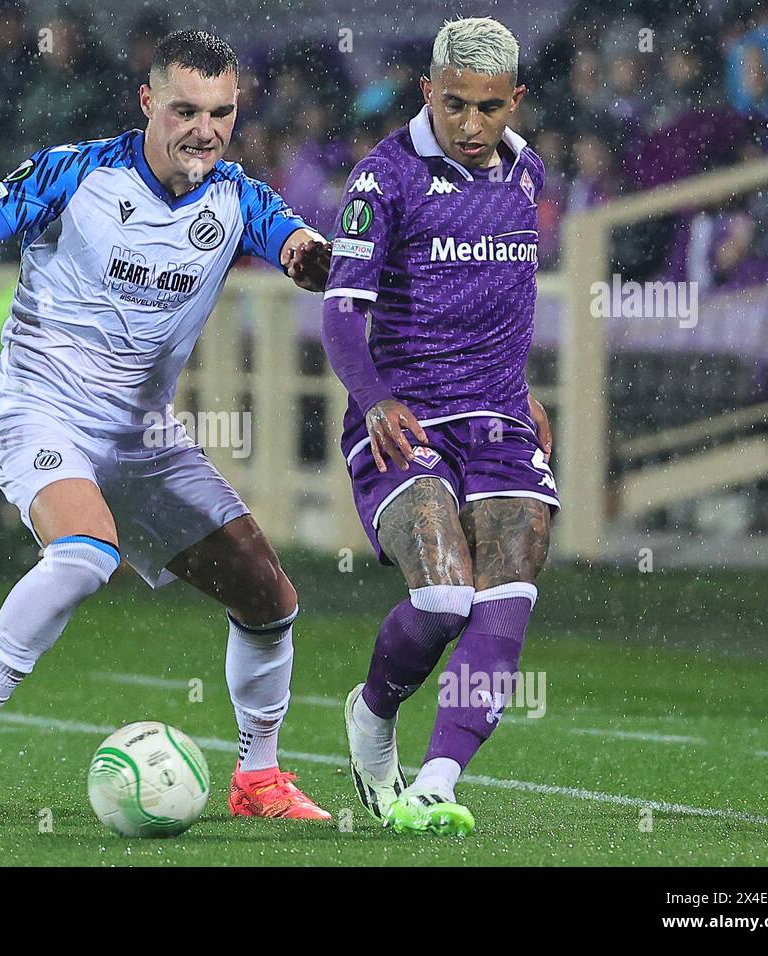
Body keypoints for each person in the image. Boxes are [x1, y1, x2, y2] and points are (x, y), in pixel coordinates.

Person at [0, 30, 334, 822]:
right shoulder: (77, 171)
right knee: (83, 553)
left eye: (221, 112)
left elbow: (303, 248)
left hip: (140, 438)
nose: (203, 130)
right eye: (184, 110)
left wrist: (323, 261)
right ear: (147, 104)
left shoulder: (240, 196)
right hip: (39, 408)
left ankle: (258, 777)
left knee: (270, 597)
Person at [323, 16, 555, 836]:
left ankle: (436, 782)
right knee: (445, 594)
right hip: (407, 416)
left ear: (514, 100)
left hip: (498, 419)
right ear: (427, 91)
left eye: (488, 108)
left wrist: (517, 386)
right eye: (452, 104)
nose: (469, 124)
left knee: (508, 592)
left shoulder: (528, 172)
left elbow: (507, 292)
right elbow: (343, 313)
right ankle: (374, 713)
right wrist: (376, 396)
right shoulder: (382, 180)